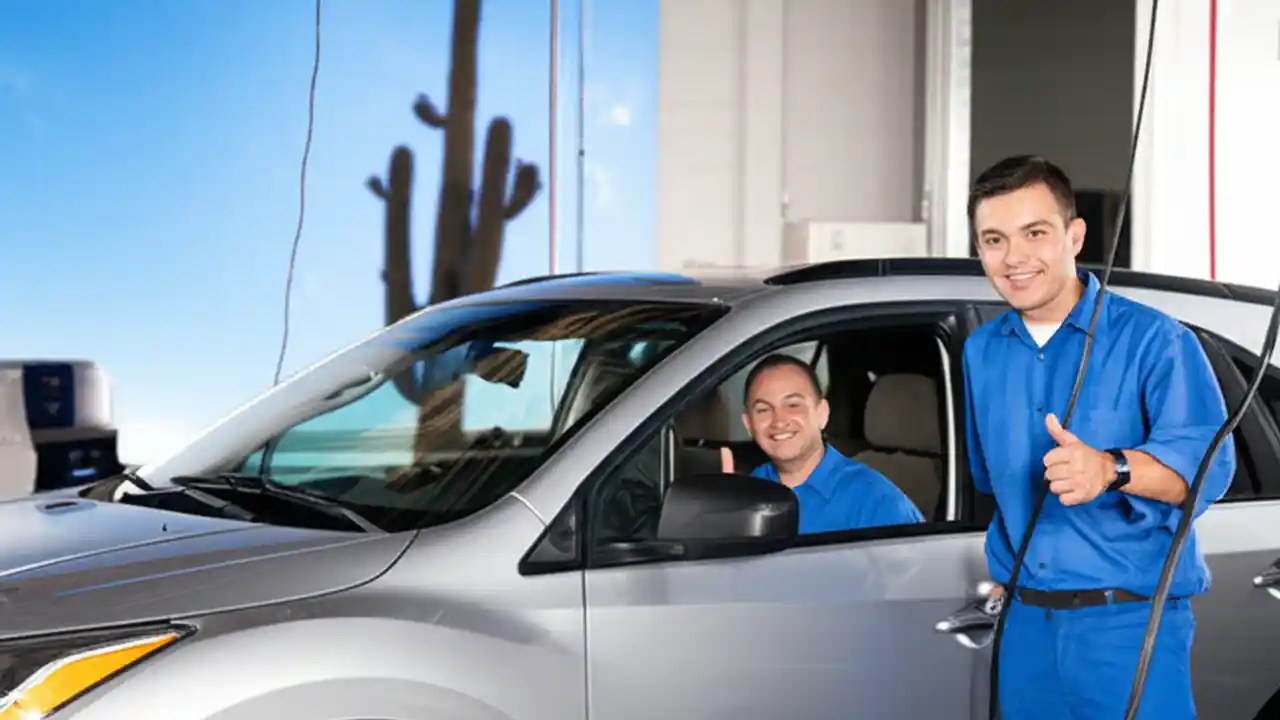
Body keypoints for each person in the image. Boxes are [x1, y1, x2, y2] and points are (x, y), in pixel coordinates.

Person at [962, 155, 1235, 718]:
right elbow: (990, 480)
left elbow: (1205, 473)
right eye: (993, 239)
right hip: (1024, 627)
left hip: (1126, 624)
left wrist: (1112, 468)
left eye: (1033, 233)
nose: (1013, 258)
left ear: (1075, 235)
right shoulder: (981, 351)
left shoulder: (1155, 341)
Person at [721, 353, 924, 533]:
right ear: (748, 424)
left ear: (822, 413)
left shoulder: (879, 503)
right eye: (764, 410)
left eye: (793, 405)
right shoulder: (751, 489)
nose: (779, 421)